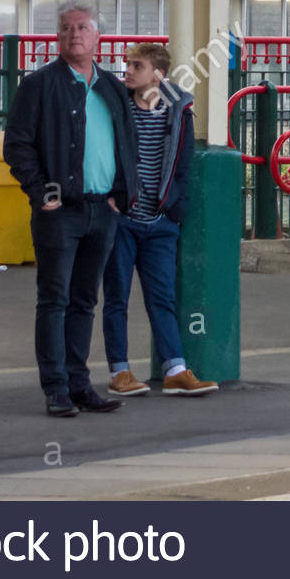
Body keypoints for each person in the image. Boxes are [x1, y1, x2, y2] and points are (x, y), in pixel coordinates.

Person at [3, 0, 137, 416]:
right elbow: (18, 145)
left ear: (97, 37)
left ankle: (81, 384)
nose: (73, 34)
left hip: (103, 210)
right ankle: (56, 387)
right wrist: (42, 194)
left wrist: (121, 195)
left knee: (85, 301)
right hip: (59, 212)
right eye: (65, 28)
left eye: (81, 27)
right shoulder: (39, 85)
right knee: (54, 300)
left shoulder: (113, 87)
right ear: (57, 37)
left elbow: (127, 145)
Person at [102, 43, 218, 397]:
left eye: (137, 65)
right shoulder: (117, 106)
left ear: (158, 74)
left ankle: (176, 370)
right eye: (127, 65)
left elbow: (182, 166)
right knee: (116, 298)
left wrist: (173, 210)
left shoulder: (178, 109)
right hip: (121, 220)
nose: (129, 70)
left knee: (162, 298)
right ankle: (120, 372)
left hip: (160, 223)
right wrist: (108, 197)